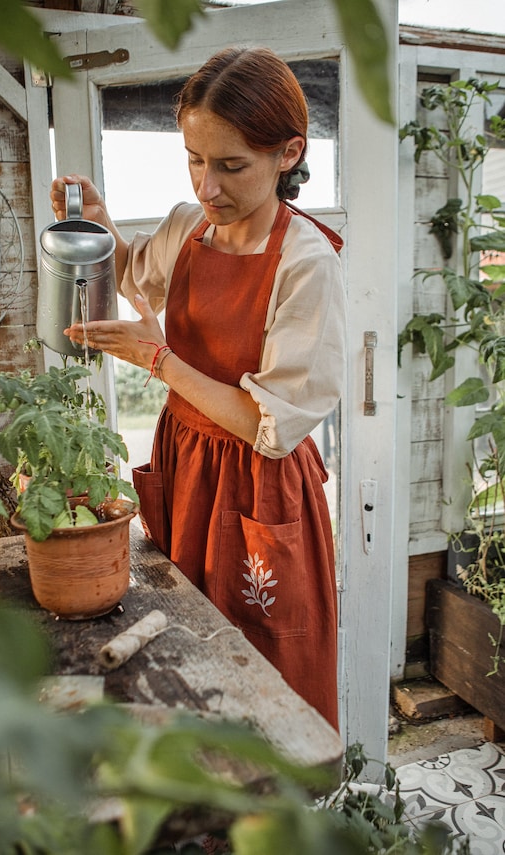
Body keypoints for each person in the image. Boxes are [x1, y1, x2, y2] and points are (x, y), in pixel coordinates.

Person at [51, 46, 346, 730]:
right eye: (194, 158)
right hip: (192, 471)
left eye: (231, 165)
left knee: (267, 675)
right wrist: (102, 226)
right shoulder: (190, 228)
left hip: (260, 488)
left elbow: (265, 425)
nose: (207, 186)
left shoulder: (306, 263)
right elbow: (135, 277)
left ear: (288, 153)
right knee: (182, 649)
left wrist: (159, 361)